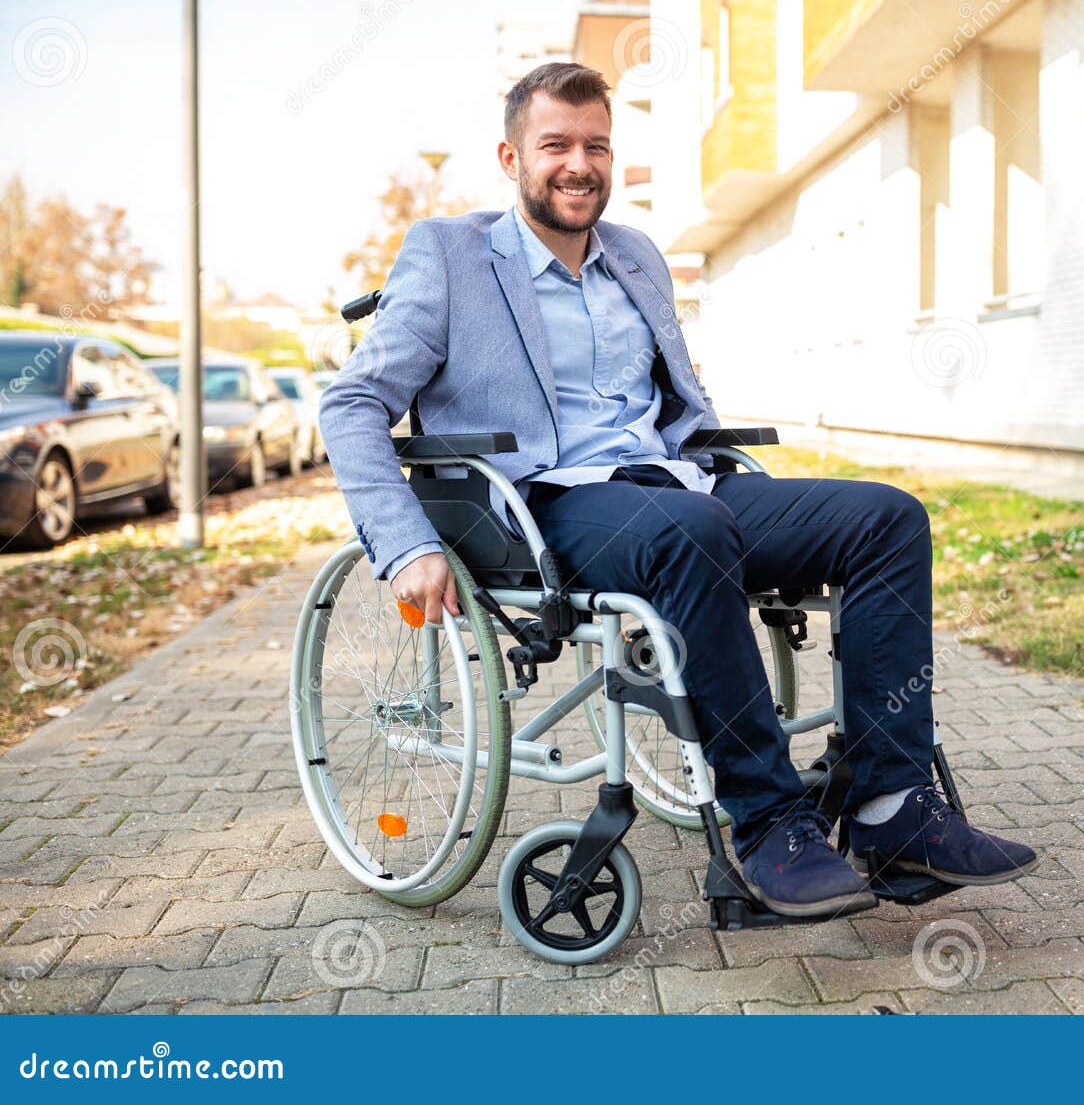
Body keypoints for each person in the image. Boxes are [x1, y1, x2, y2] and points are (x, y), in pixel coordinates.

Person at [319, 62, 1038, 918]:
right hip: (541, 506)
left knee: (885, 519)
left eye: (596, 145)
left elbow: (675, 401)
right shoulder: (450, 255)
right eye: (555, 145)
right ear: (510, 157)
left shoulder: (634, 256)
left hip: (678, 482)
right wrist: (407, 543)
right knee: (689, 529)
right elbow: (354, 401)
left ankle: (892, 811)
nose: (578, 164)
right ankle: (770, 824)